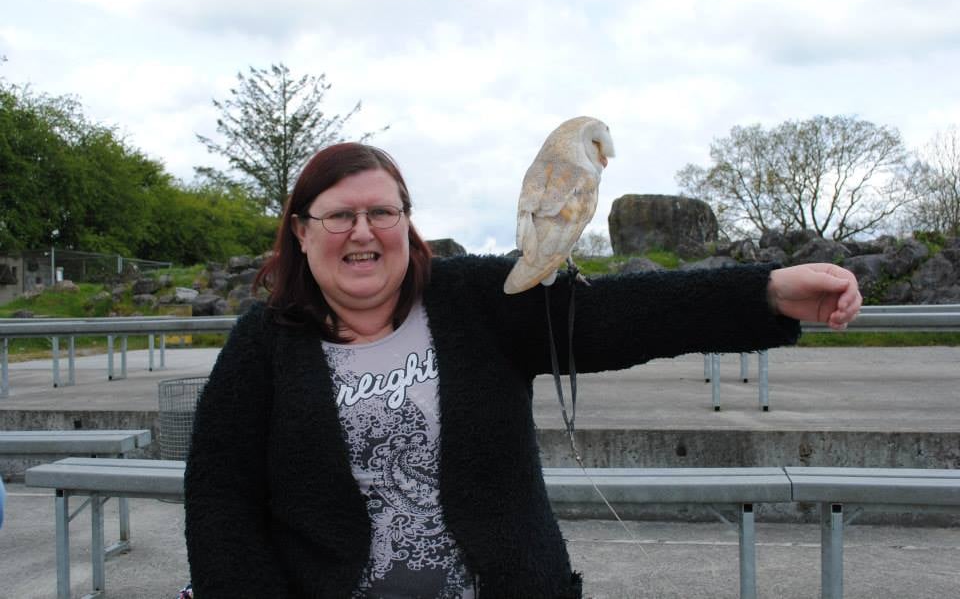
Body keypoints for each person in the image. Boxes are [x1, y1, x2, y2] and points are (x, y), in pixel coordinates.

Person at [184, 142, 861, 598]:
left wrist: (765, 292)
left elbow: (621, 314)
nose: (363, 231)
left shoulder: (477, 300)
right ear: (301, 232)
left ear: (406, 222)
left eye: (382, 211)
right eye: (339, 215)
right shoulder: (261, 346)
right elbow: (221, 499)